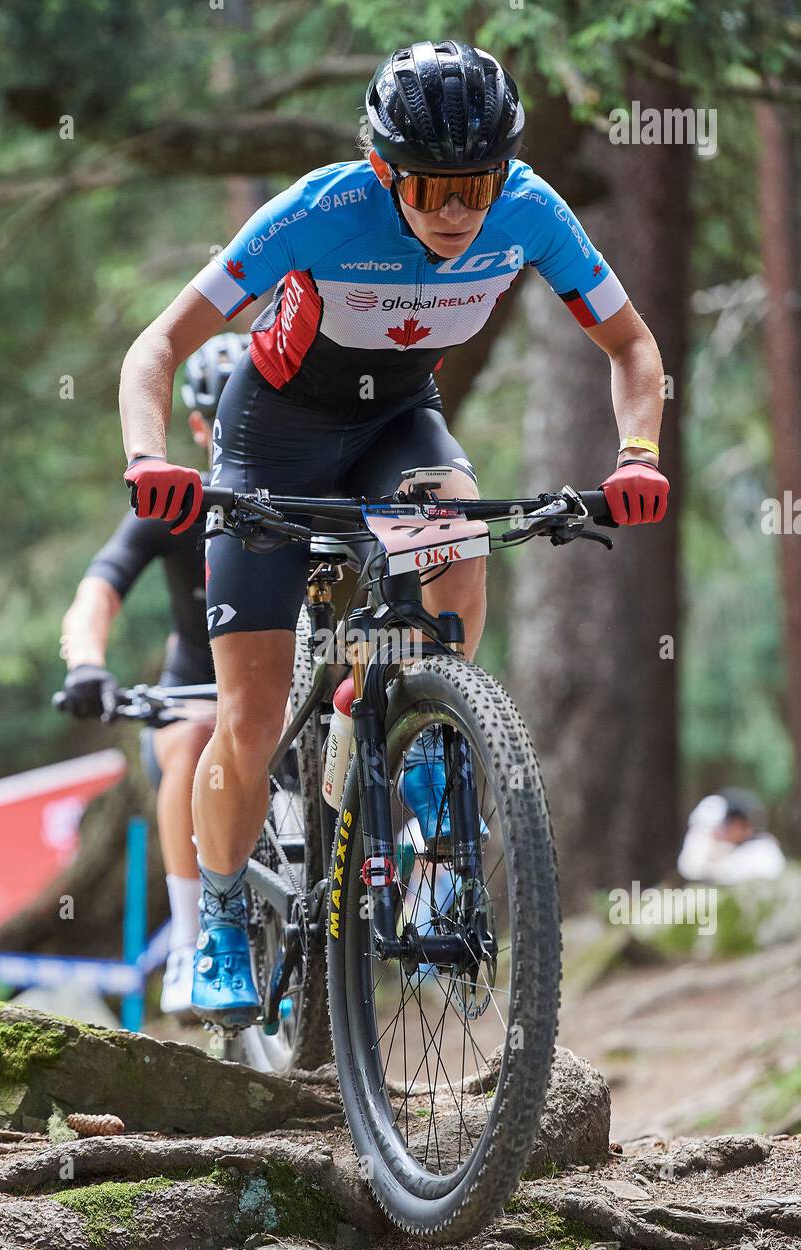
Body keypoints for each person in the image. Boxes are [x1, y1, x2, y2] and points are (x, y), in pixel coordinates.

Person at [118, 40, 670, 1026]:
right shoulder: (321, 209)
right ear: (385, 168)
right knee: (242, 721)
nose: (458, 213)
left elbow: (629, 345)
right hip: (269, 440)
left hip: (392, 430)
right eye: (433, 190)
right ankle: (224, 912)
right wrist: (149, 459)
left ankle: (434, 767)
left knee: (455, 535)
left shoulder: (531, 212)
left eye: (477, 187)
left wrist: (633, 454)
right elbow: (158, 345)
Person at [60, 334, 250, 1014]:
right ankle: (190, 944)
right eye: (225, 413)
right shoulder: (179, 502)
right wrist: (86, 664)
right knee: (199, 741)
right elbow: (99, 590)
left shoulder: (308, 490)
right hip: (193, 695)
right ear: (197, 427)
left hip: (279, 694)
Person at [677, 789, 786, 885]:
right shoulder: (714, 847)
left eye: (724, 825)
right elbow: (689, 867)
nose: (718, 833)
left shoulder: (763, 850)